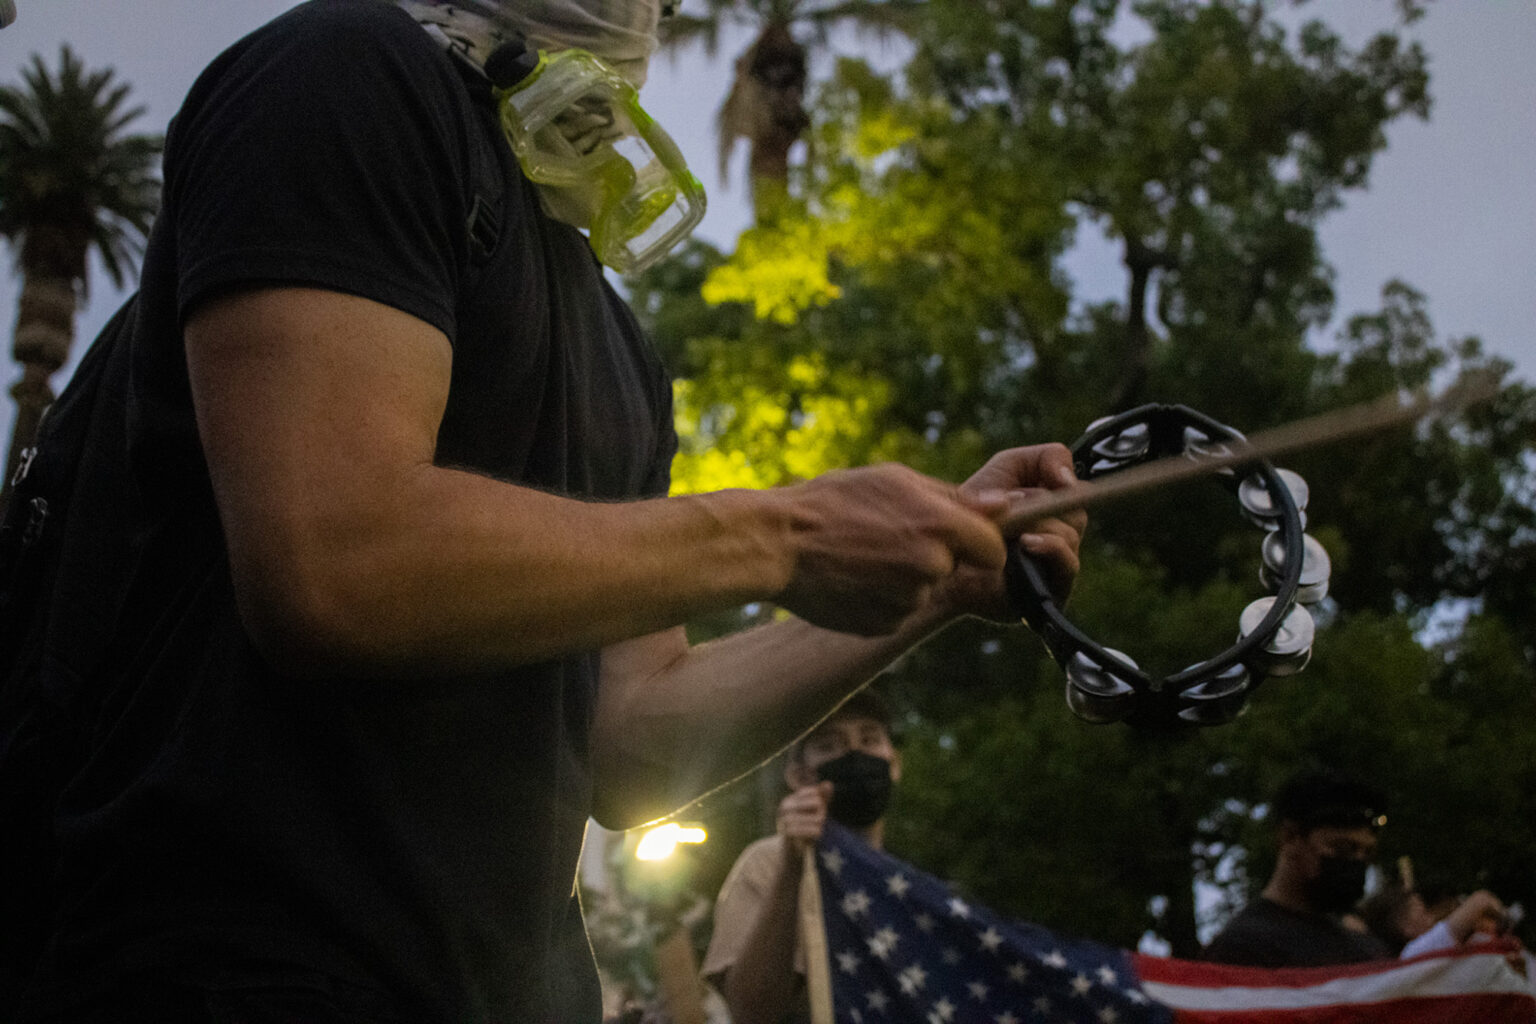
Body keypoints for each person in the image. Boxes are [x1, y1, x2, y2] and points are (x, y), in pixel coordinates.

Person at [0, 1, 1086, 1021]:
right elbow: (332, 559)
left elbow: (630, 744)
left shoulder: (618, 345)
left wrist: (933, 586)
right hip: (229, 968)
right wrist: (785, 531)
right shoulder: (340, 77)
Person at [701, 687, 899, 1024]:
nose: (854, 754)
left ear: (894, 763)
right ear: (798, 775)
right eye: (828, 745)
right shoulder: (769, 863)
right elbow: (752, 1012)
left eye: (869, 739)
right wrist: (793, 867)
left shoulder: (902, 884)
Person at [1202, 768, 1391, 967]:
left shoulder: (1365, 949)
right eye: (1342, 849)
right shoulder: (1242, 949)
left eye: (1368, 852)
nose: (1357, 861)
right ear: (1289, 837)